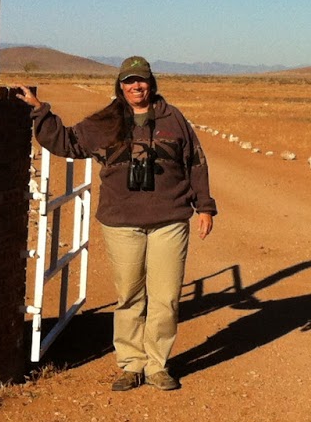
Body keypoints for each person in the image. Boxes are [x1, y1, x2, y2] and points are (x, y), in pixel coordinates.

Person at [16, 57, 216, 392]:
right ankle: (130, 364)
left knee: (165, 298)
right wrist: (41, 111)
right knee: (129, 296)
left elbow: (195, 162)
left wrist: (205, 207)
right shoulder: (107, 120)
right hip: (122, 223)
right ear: (120, 86)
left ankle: (157, 366)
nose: (137, 86)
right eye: (130, 81)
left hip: (169, 221)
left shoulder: (173, 118)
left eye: (142, 80)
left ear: (151, 83)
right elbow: (67, 142)